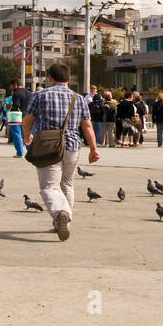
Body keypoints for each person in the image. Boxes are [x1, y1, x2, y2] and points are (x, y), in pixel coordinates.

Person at [24, 63, 99, 241]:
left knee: (49, 186)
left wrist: (27, 136)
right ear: (69, 78)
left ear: (50, 78)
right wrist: (94, 149)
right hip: (72, 146)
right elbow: (87, 125)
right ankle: (64, 223)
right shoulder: (78, 98)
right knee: (67, 183)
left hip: (48, 146)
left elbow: (27, 120)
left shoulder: (40, 95)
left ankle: (60, 213)